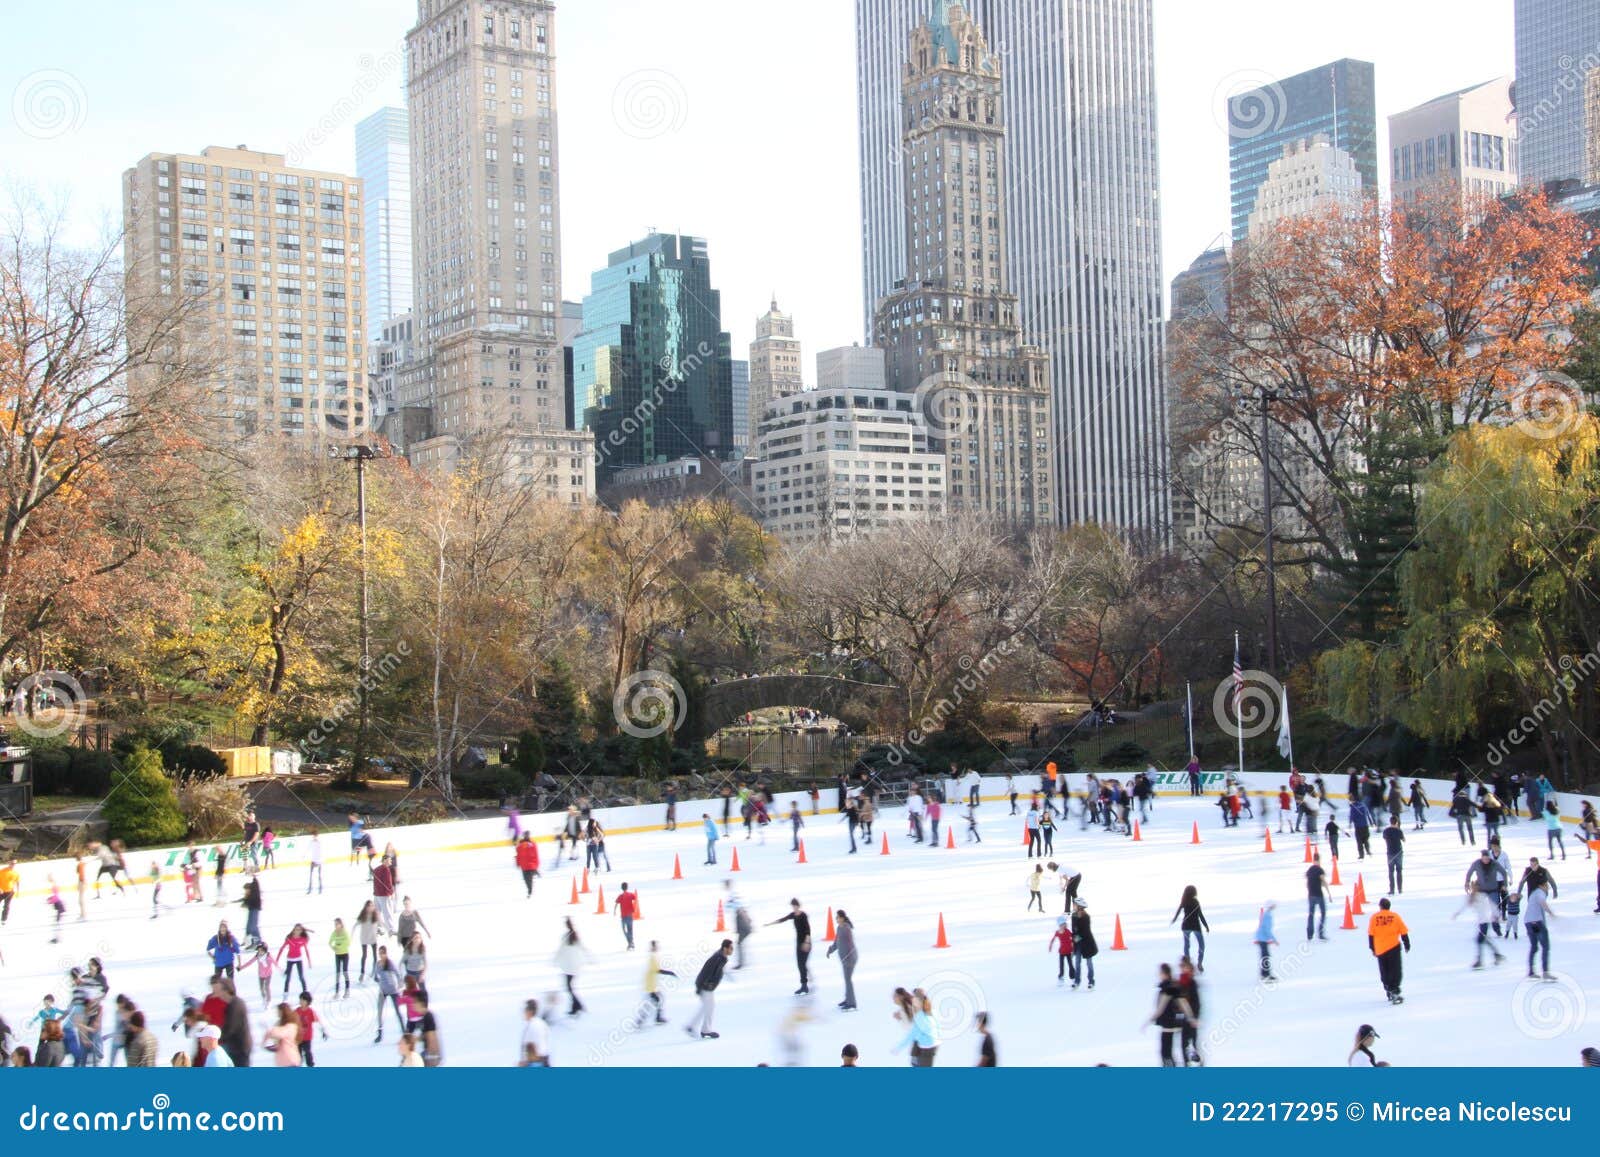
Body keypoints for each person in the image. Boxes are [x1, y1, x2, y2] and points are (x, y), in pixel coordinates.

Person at [684, 939, 733, 1040]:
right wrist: (701, 986)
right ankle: (699, 1028)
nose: (732, 950)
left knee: (708, 1007)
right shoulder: (718, 958)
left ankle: (696, 1027)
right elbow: (706, 971)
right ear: (725, 948)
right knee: (709, 1006)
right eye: (731, 948)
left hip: (707, 986)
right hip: (705, 986)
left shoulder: (721, 957)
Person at [1367, 897, 1411, 1004]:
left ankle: (1388, 988)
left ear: (1380, 906)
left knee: (1385, 970)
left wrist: (1372, 948)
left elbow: (1371, 934)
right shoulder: (1395, 916)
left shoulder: (1374, 917)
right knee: (1395, 970)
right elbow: (1403, 931)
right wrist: (1407, 944)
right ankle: (1394, 989)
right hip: (1393, 947)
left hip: (1380, 949)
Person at [1150, 964, 1194, 1067]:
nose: (1159, 975)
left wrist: (1149, 1020)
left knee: (1165, 1053)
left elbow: (1161, 1008)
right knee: (1167, 1052)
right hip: (1172, 1023)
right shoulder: (1172, 986)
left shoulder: (1167, 988)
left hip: (1168, 1024)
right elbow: (1183, 1003)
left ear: (1165, 974)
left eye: (1160, 973)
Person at [769, 898, 813, 995]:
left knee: (802, 964)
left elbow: (808, 930)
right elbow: (783, 919)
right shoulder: (793, 915)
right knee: (800, 964)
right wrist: (771, 923)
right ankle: (804, 985)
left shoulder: (803, 915)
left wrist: (807, 942)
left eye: (794, 906)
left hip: (806, 942)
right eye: (792, 906)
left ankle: (805, 985)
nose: (793, 908)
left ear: (798, 906)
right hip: (798, 942)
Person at [891, 988, 940, 1066]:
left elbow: (912, 1028)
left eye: (894, 996)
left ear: (900, 996)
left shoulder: (911, 1008)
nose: (892, 998)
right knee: (915, 1063)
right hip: (921, 1041)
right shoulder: (906, 1008)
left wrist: (900, 1019)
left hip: (927, 1042)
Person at [554, 918, 590, 1016]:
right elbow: (583, 948)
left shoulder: (566, 937)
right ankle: (576, 1006)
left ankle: (578, 1006)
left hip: (568, 967)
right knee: (569, 987)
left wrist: (554, 961)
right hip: (575, 966)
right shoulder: (575, 936)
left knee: (569, 987)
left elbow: (560, 951)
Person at [1170, 885, 1210, 970]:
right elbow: (1200, 915)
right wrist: (1206, 926)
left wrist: (1174, 920)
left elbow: (1178, 912)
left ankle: (1187, 962)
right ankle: (1199, 963)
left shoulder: (1184, 901)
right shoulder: (1196, 902)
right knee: (1201, 944)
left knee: (1187, 945)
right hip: (1196, 926)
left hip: (1186, 926)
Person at [826, 909, 858, 1010]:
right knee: (846, 979)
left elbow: (850, 945)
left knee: (848, 980)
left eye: (838, 917)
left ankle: (852, 1003)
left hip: (850, 958)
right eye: (836, 917)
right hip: (845, 959)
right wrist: (830, 950)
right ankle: (847, 999)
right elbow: (836, 943)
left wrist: (848, 957)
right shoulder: (839, 928)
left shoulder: (846, 928)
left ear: (842, 918)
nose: (836, 919)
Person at [1525, 884, 1556, 979]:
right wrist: (1550, 912)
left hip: (1528, 922)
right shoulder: (1540, 892)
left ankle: (1531, 971)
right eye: (1547, 887)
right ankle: (1545, 972)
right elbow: (1542, 902)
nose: (1547, 889)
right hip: (1537, 922)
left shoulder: (1533, 894)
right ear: (1542, 886)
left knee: (1534, 947)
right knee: (1545, 946)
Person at [373, 946, 403, 1043]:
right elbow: (376, 975)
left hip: (393, 990)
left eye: (383, 953)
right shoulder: (378, 964)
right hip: (383, 991)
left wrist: (399, 985)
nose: (381, 955)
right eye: (380, 953)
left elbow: (397, 974)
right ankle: (380, 1032)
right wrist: (377, 979)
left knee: (398, 1011)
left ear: (386, 953)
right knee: (379, 1011)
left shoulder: (389, 963)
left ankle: (404, 1031)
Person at [276, 923, 313, 999]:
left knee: (301, 977)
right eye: (295, 929)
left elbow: (306, 950)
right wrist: (277, 960)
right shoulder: (289, 938)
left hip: (298, 959)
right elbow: (282, 948)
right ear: (293, 930)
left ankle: (305, 992)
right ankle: (285, 994)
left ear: (301, 931)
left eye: (299, 930)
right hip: (290, 959)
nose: (297, 931)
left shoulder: (303, 939)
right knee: (288, 978)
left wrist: (309, 961)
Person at [1070, 898, 1098, 989]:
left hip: (1087, 944)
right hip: (1078, 944)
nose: (1073, 906)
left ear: (1079, 907)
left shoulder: (1086, 917)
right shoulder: (1073, 916)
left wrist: (1076, 938)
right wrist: (1073, 943)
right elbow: (1073, 931)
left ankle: (1091, 981)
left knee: (1089, 963)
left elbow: (1085, 932)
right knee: (1077, 963)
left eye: (1074, 905)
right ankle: (1077, 981)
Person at [264, 1003, 300, 1067]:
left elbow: (280, 1033)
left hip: (290, 1059)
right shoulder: (277, 1023)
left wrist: (271, 1032)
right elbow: (275, 1038)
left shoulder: (291, 1025)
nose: (277, 1013)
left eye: (279, 1011)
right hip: (281, 1060)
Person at [1305, 853, 1331, 941]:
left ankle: (1309, 934)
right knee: (1323, 913)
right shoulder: (1320, 870)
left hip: (1311, 895)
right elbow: (1324, 882)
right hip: (1319, 895)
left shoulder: (1309, 870)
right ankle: (1320, 932)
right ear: (1319, 860)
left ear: (1313, 859)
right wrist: (1329, 893)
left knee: (1311, 914)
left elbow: (1307, 882)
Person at [519, 998, 551, 1065]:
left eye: (524, 1011)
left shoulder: (533, 1026)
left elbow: (532, 1048)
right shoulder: (541, 1023)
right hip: (543, 1060)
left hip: (536, 1062)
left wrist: (525, 1063)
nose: (523, 1013)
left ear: (529, 1012)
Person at [1253, 901, 1278, 980]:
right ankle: (1266, 974)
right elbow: (1267, 929)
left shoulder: (1266, 915)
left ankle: (1265, 974)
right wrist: (1274, 939)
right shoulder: (1268, 916)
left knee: (1265, 956)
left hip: (1262, 938)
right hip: (1262, 938)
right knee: (1265, 956)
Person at [1048, 916, 1076, 985]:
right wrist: (1050, 946)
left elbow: (1074, 937)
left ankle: (1073, 977)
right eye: (1064, 924)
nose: (1065, 925)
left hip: (1069, 951)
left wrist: (1080, 940)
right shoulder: (1057, 932)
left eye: (1065, 924)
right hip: (1062, 952)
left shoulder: (1068, 931)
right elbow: (1053, 939)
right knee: (1061, 965)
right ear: (1060, 925)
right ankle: (1061, 977)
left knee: (1070, 965)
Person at [1382, 816, 1406, 895]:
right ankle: (1400, 889)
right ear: (1396, 822)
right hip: (1398, 852)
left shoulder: (1386, 831)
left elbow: (1385, 840)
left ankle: (1392, 890)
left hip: (1390, 852)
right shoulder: (1399, 830)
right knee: (1399, 871)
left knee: (1391, 872)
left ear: (1390, 821)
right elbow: (1404, 840)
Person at [328, 917, 351, 997]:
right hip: (337, 955)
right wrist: (333, 947)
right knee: (338, 973)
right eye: (335, 924)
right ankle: (337, 992)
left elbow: (348, 942)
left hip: (345, 954)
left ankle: (347, 990)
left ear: (341, 924)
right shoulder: (334, 932)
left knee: (345, 972)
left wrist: (339, 946)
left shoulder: (344, 932)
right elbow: (330, 942)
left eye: (337, 924)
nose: (336, 926)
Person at [240, 871, 262, 948]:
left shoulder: (255, 892)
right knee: (249, 927)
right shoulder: (248, 895)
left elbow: (256, 885)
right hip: (252, 910)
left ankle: (258, 942)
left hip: (255, 910)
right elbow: (245, 901)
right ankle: (250, 941)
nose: (246, 891)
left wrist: (254, 877)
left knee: (252, 927)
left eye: (246, 890)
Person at [614, 883, 639, 950]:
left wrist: (614, 911)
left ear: (621, 888)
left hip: (623, 916)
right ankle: (631, 942)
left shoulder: (621, 896)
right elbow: (636, 898)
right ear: (627, 887)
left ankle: (630, 942)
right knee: (630, 930)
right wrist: (635, 907)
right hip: (630, 915)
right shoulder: (630, 894)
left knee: (624, 930)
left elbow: (616, 903)